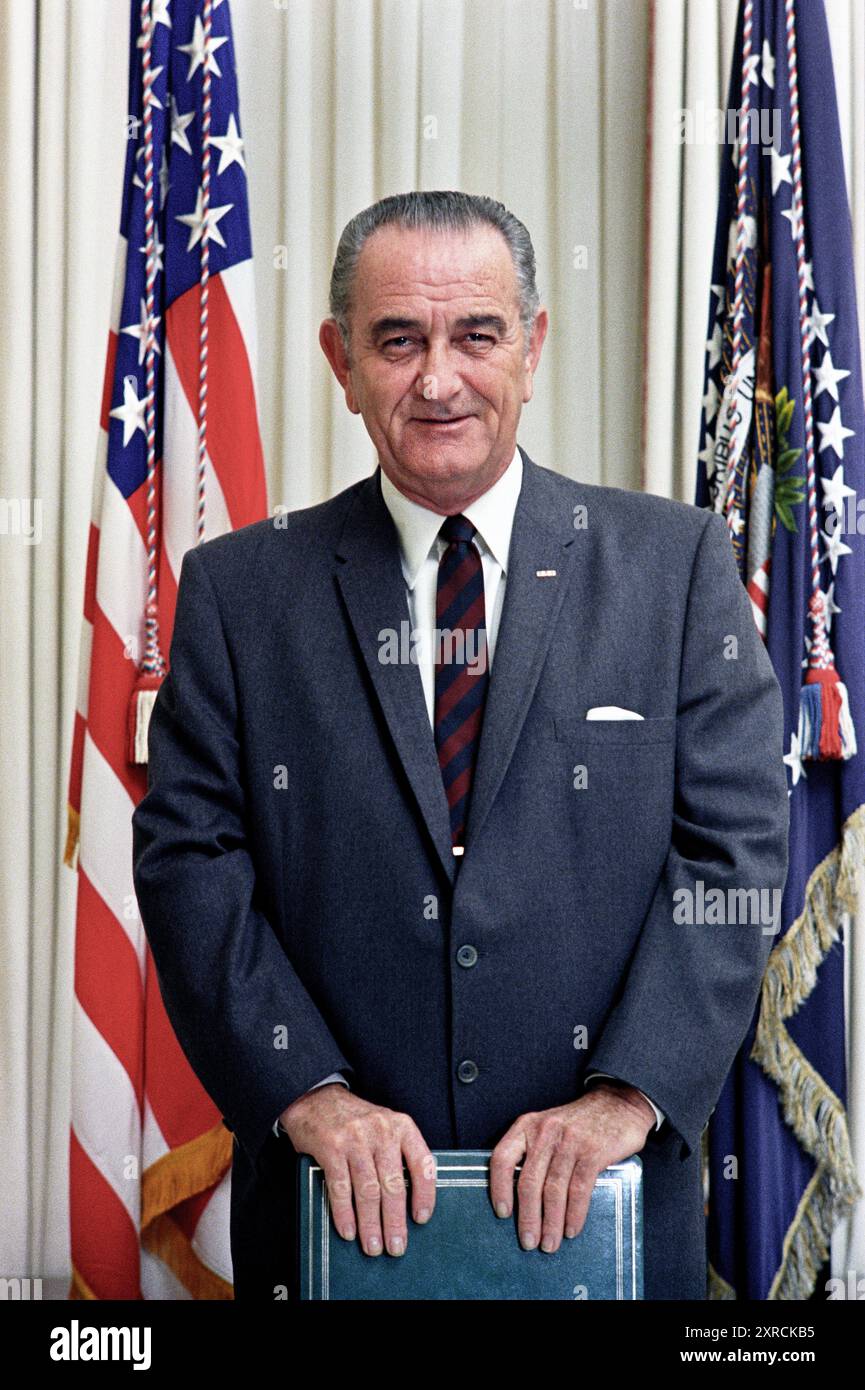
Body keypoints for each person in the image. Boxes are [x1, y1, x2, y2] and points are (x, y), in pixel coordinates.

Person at [131, 190, 789, 1300]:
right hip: (329, 1220)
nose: (438, 380)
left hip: (607, 1221)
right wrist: (308, 1094)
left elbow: (731, 859)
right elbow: (191, 864)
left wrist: (626, 1095)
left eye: (475, 334)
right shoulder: (240, 593)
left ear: (530, 347)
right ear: (342, 362)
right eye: (398, 340)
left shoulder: (675, 568)